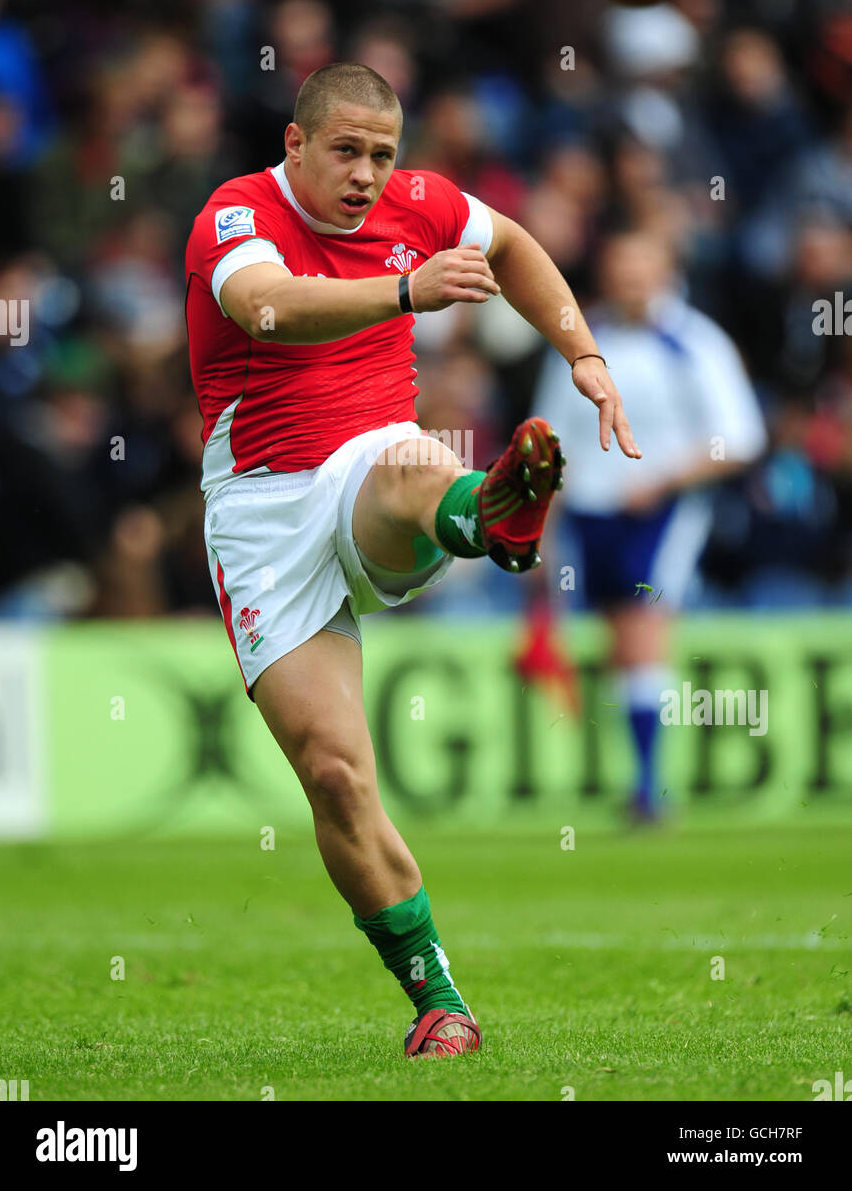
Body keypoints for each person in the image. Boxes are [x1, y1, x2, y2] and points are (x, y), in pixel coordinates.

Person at [184, 63, 639, 1057]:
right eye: (344, 151)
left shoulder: (420, 205)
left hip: (369, 472)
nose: (365, 174)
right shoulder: (234, 211)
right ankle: (438, 999)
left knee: (404, 463)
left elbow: (513, 244)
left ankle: (494, 516)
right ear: (295, 144)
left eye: (381, 155)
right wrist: (403, 288)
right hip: (260, 512)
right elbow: (264, 306)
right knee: (337, 776)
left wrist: (583, 354)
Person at [532, 230, 766, 821]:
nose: (631, 278)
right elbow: (551, 439)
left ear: (666, 270)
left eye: (643, 266)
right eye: (621, 267)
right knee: (618, 643)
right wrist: (543, 523)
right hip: (591, 511)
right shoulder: (585, 340)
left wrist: (661, 482)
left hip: (658, 513)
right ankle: (638, 779)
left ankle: (648, 788)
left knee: (642, 633)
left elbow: (738, 440)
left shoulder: (694, 343)